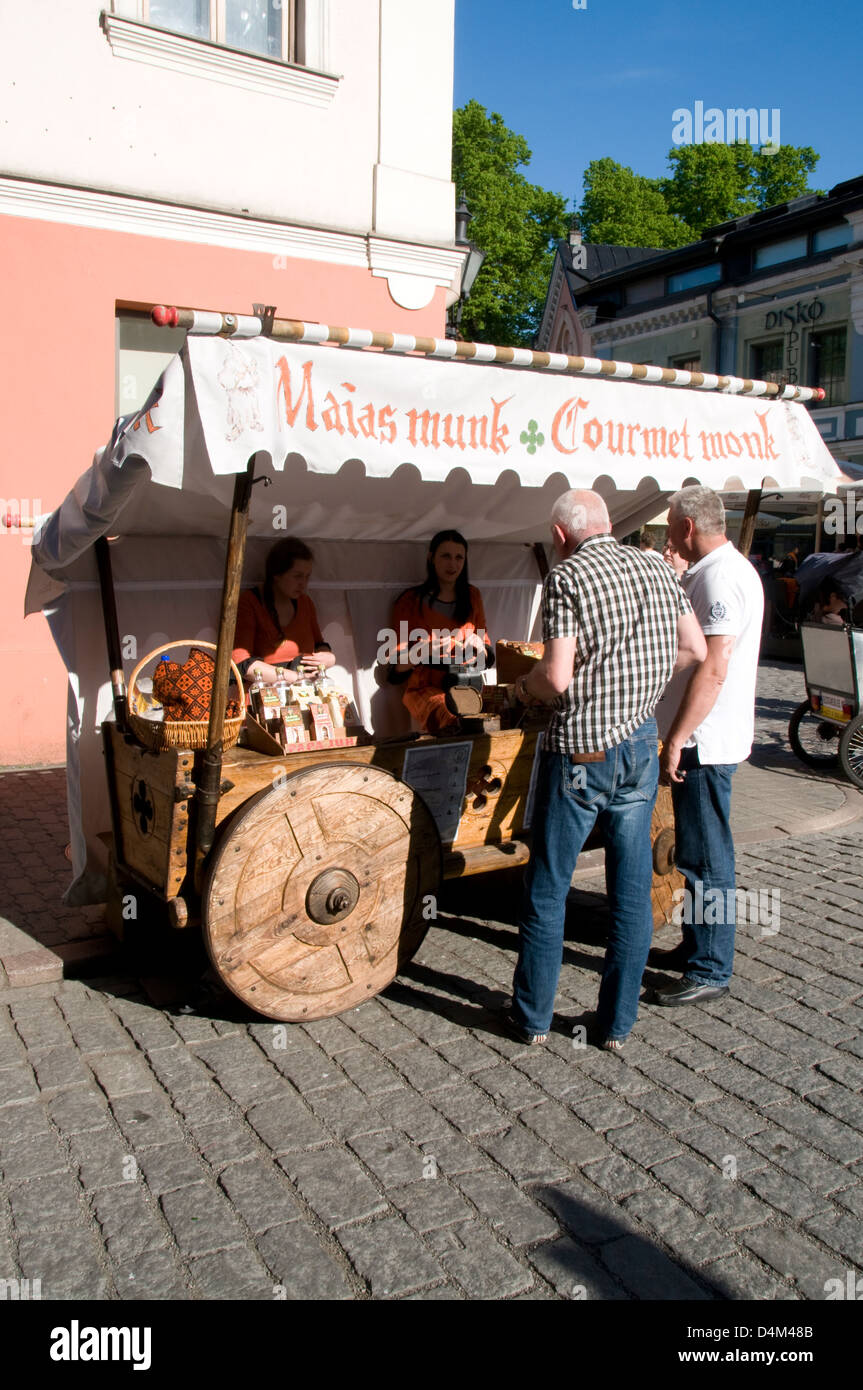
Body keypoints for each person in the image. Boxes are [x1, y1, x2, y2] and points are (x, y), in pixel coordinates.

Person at [505, 490, 706, 1050]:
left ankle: (533, 1020)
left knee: (548, 887)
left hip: (580, 751)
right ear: (610, 524)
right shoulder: (654, 564)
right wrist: (639, 687)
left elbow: (557, 678)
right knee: (631, 891)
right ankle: (616, 1025)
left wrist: (522, 688)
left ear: (561, 537)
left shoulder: (567, 577)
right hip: (641, 743)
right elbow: (692, 649)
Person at [651, 486, 764, 1006]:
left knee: (707, 857)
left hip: (705, 740)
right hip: (707, 737)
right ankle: (699, 946)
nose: (670, 536)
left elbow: (714, 667)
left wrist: (676, 738)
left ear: (688, 528)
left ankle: (711, 967)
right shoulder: (721, 569)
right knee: (697, 851)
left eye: (672, 526)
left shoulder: (720, 575)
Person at [389, 530, 492, 734]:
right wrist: (424, 650)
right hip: (425, 689)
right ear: (431, 558)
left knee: (499, 713)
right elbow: (395, 670)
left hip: (467, 684)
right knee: (453, 716)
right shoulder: (410, 601)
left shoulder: (472, 596)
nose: (452, 564)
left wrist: (480, 647)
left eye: (458, 557)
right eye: (445, 556)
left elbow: (487, 655)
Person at [232, 537, 336, 689]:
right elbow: (241, 662)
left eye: (307, 576)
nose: (303, 583)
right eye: (297, 576)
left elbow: (319, 644)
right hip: (269, 695)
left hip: (307, 691)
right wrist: (296, 678)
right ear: (277, 574)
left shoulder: (305, 602)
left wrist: (328, 657)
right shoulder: (250, 601)